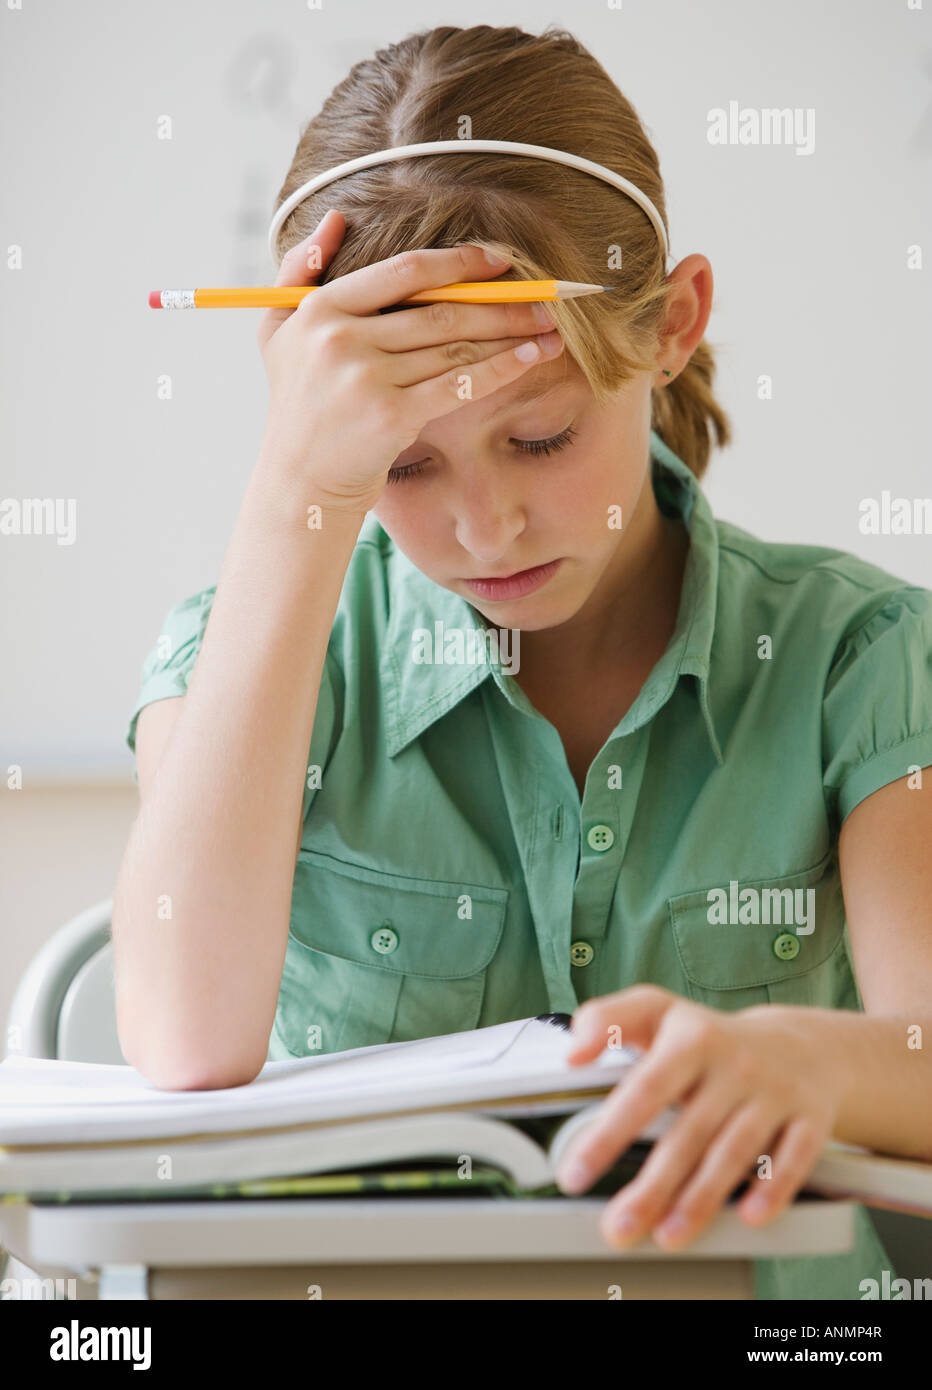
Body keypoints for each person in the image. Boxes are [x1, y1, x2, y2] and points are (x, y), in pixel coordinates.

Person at [113, 25, 932, 1301]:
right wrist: (295, 491)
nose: (484, 528)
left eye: (540, 438)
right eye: (402, 464)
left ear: (670, 326)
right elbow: (179, 1037)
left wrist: (808, 1061)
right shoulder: (255, 652)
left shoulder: (857, 657)